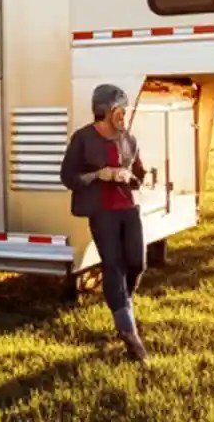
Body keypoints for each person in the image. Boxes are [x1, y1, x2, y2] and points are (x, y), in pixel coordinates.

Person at [59, 83, 150, 362]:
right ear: (104, 111)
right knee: (113, 263)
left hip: (128, 208)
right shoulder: (83, 139)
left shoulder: (129, 139)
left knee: (137, 263)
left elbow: (139, 174)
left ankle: (124, 302)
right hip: (102, 211)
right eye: (119, 110)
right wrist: (101, 174)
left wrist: (129, 178)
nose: (124, 115)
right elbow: (68, 177)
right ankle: (127, 331)